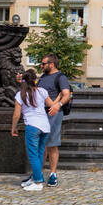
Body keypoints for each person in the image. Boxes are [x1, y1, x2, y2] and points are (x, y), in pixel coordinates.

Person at [33, 54, 72, 188]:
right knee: (41, 145)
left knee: (52, 144)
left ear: (51, 64)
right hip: (41, 114)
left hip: (54, 113)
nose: (41, 66)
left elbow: (66, 94)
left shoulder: (61, 77)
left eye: (43, 64)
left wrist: (57, 105)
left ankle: (53, 174)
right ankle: (38, 174)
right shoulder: (43, 77)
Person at [11, 68, 51, 191]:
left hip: (32, 126)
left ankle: (38, 182)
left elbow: (17, 114)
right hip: (45, 126)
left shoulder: (20, 95)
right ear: (35, 80)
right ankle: (36, 178)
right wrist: (60, 99)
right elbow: (51, 104)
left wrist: (13, 127)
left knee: (33, 155)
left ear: (23, 80)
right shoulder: (42, 91)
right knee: (39, 153)